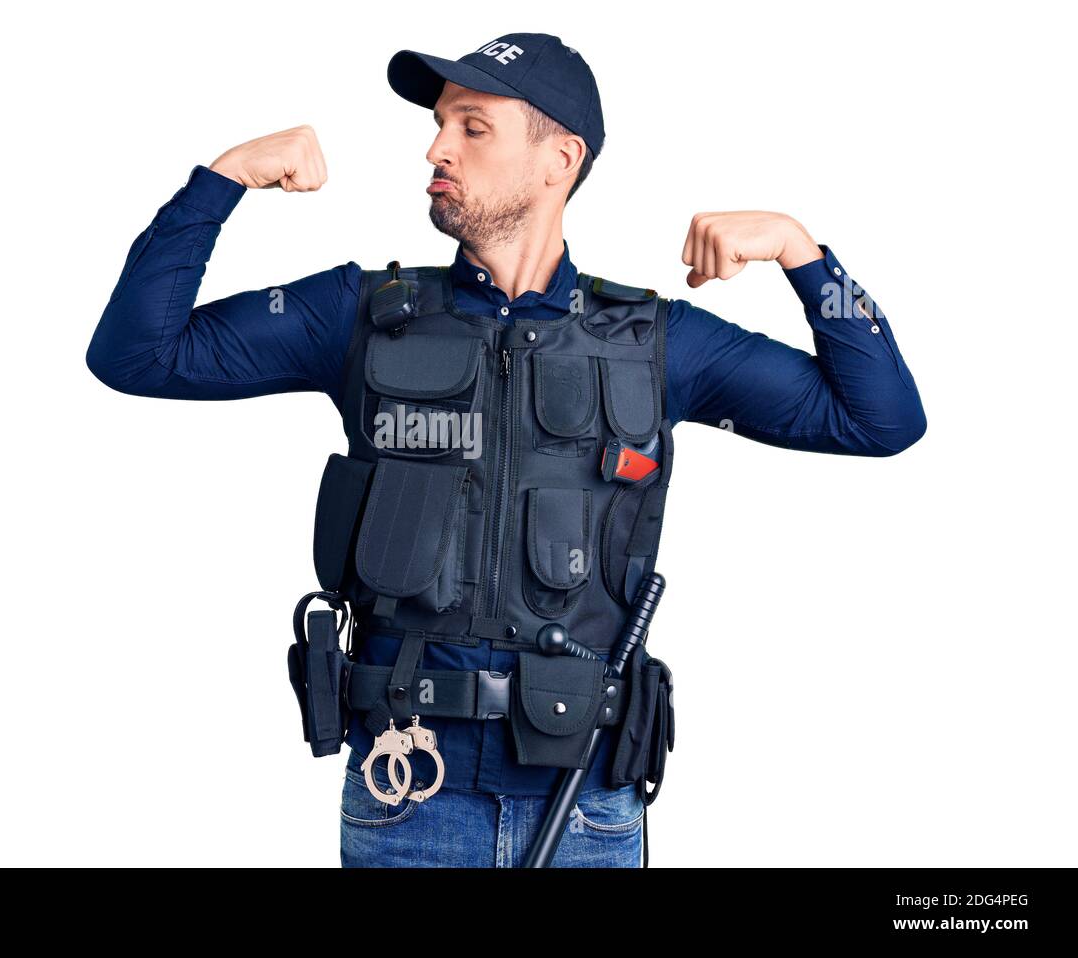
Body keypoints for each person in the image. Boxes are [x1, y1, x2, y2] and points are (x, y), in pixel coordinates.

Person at [85, 33, 926, 868]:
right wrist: (222, 180)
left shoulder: (654, 343)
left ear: (560, 158)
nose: (437, 149)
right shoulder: (361, 314)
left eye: (473, 127)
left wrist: (803, 255)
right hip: (407, 798)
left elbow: (880, 419)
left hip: (587, 812)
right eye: (440, 125)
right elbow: (135, 355)